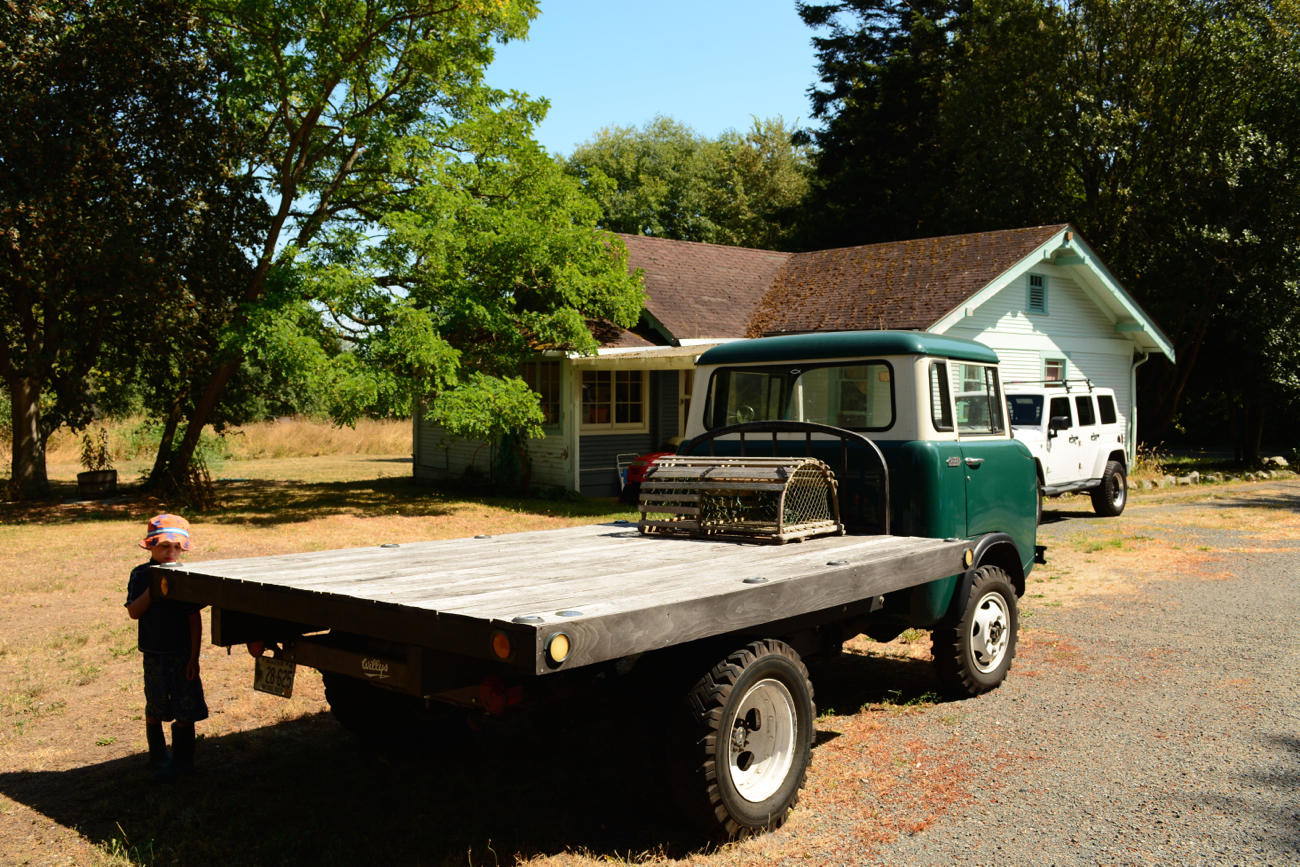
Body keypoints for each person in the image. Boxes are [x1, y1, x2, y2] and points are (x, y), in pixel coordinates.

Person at [124, 514, 207, 783]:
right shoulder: (140, 575)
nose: (171, 552)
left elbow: (194, 620)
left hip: (183, 654)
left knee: (185, 707)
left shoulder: (186, 578)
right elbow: (134, 613)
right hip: (154, 655)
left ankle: (183, 761)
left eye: (177, 547)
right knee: (155, 705)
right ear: (150, 546)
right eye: (164, 546)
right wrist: (155, 585)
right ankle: (158, 754)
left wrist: (194, 657)